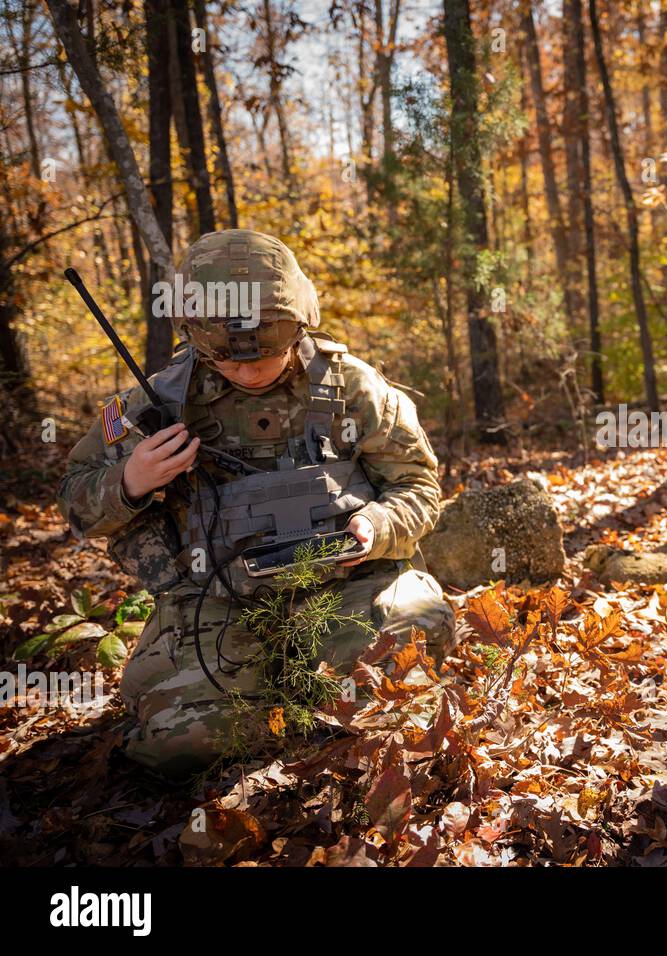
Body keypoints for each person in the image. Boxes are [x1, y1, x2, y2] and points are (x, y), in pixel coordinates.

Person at [58, 229, 456, 777]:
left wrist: (378, 523)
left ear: (297, 324)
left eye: (263, 352)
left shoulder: (354, 388)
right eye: (224, 356)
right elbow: (76, 499)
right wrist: (131, 479)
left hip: (350, 585)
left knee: (395, 706)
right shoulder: (158, 402)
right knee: (183, 745)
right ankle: (265, 692)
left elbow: (418, 486)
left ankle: (301, 695)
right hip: (218, 599)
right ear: (194, 334)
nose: (246, 372)